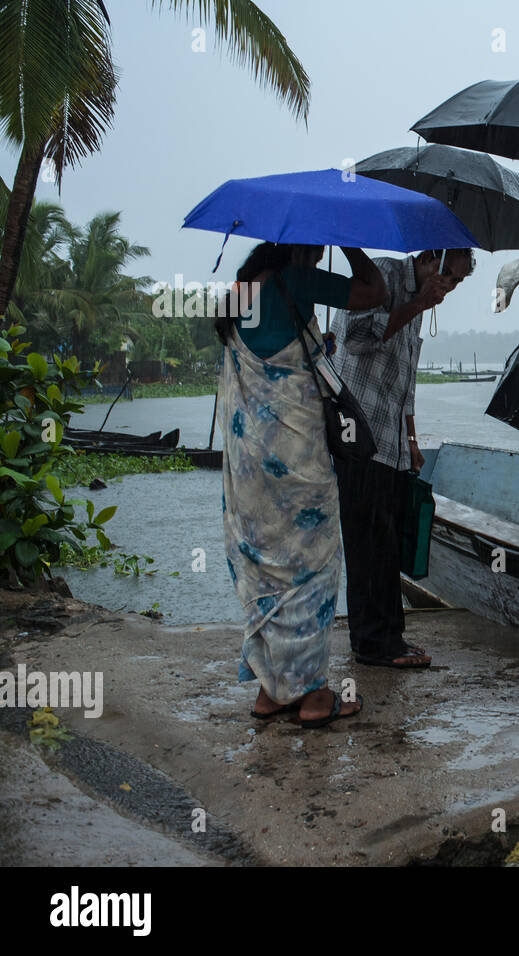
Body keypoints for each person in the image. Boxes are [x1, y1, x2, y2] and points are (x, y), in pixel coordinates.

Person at [215, 241, 386, 727]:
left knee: (268, 568)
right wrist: (351, 244)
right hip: (297, 461)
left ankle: (272, 692)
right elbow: (375, 292)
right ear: (308, 243)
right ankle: (313, 696)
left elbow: (276, 354)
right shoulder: (298, 281)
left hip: (249, 468)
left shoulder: (242, 289)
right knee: (313, 566)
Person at [332, 249, 473, 668]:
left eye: (457, 283)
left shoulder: (422, 301)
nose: (449, 287)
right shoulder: (381, 277)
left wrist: (411, 439)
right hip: (358, 434)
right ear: (430, 258)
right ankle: (371, 642)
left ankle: (391, 637)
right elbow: (354, 337)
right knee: (366, 541)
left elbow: (406, 382)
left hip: (392, 442)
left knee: (388, 543)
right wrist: (416, 305)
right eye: (448, 276)